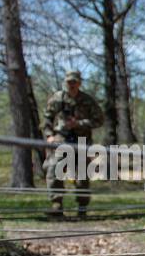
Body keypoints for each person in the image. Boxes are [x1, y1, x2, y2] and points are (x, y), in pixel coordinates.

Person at [42, 70, 104, 220]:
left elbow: (99, 120)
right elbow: (46, 119)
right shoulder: (58, 98)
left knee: (82, 175)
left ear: (79, 83)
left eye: (74, 82)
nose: (72, 85)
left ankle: (82, 208)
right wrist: (49, 136)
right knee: (53, 168)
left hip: (81, 141)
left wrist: (79, 123)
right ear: (66, 82)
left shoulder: (88, 100)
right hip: (61, 140)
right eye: (69, 82)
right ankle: (56, 206)